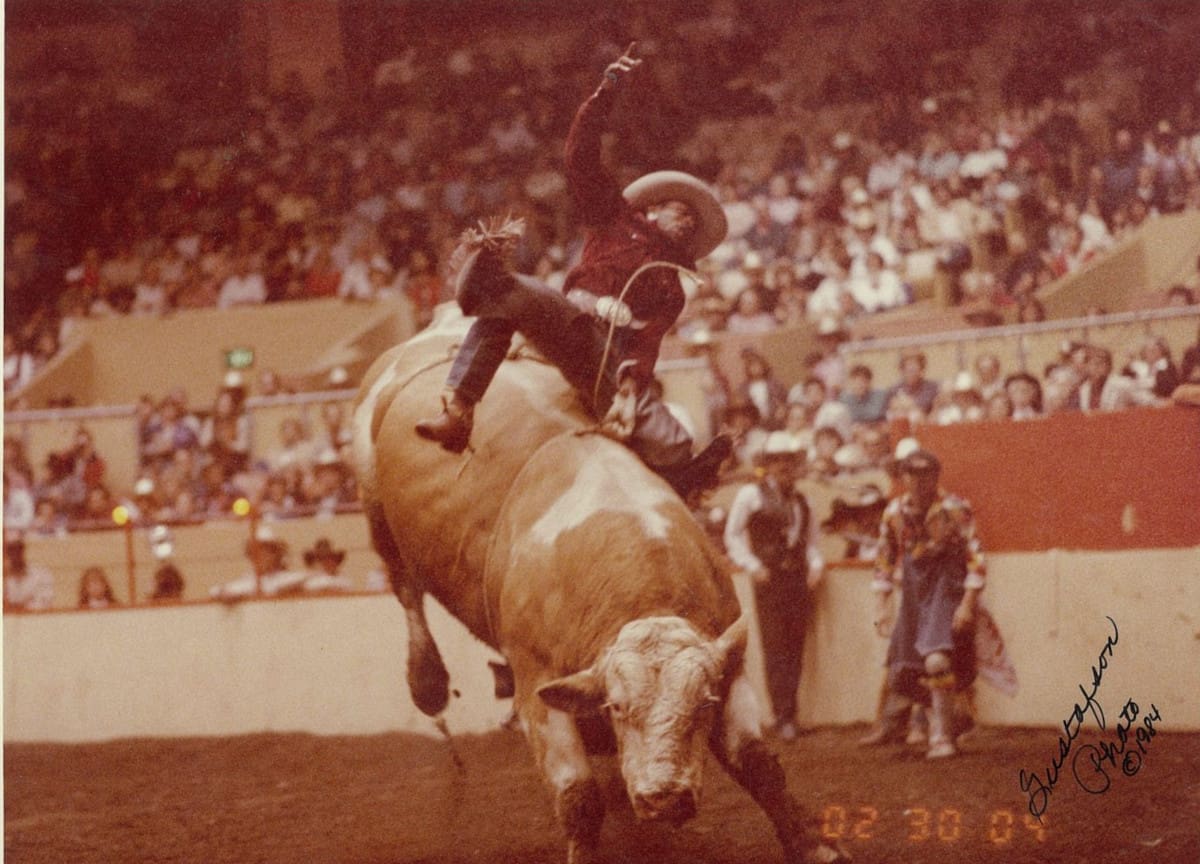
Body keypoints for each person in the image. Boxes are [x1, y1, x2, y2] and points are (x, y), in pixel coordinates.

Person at [414, 44, 731, 499]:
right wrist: (607, 91)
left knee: (672, 443)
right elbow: (580, 156)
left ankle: (682, 487)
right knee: (517, 295)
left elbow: (646, 343)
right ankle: (459, 409)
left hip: (609, 358)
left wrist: (629, 387)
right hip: (572, 321)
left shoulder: (671, 288)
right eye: (681, 212)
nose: (686, 223)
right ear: (655, 209)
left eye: (692, 224)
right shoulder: (614, 216)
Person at [864, 448, 984, 759]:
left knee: (936, 661)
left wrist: (967, 603)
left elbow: (976, 557)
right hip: (914, 593)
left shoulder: (955, 508)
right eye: (912, 475)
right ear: (903, 477)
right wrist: (881, 605)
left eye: (926, 475)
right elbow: (885, 559)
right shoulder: (894, 512)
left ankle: (941, 736)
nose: (919, 482)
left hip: (947, 587)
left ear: (935, 477)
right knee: (901, 676)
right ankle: (952, 716)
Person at [723, 432, 824, 742]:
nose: (784, 466)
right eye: (777, 460)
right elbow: (732, 535)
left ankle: (790, 714)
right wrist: (753, 565)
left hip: (796, 579)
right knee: (776, 646)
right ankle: (782, 717)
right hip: (769, 579)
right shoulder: (750, 496)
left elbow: (811, 542)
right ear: (767, 464)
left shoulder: (803, 502)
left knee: (795, 647)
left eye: (789, 461)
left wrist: (816, 565)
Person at [210, 526, 305, 601]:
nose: (260, 557)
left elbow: (308, 581)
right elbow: (215, 591)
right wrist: (222, 593)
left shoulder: (289, 577)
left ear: (276, 554)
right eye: (254, 552)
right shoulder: (247, 581)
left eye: (266, 551)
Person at [3, 532, 54, 611]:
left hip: (33, 617)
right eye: (10, 551)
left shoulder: (41, 575)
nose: (14, 554)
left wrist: (21, 607)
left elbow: (46, 602)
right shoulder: (3, 578)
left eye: (18, 549)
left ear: (23, 550)